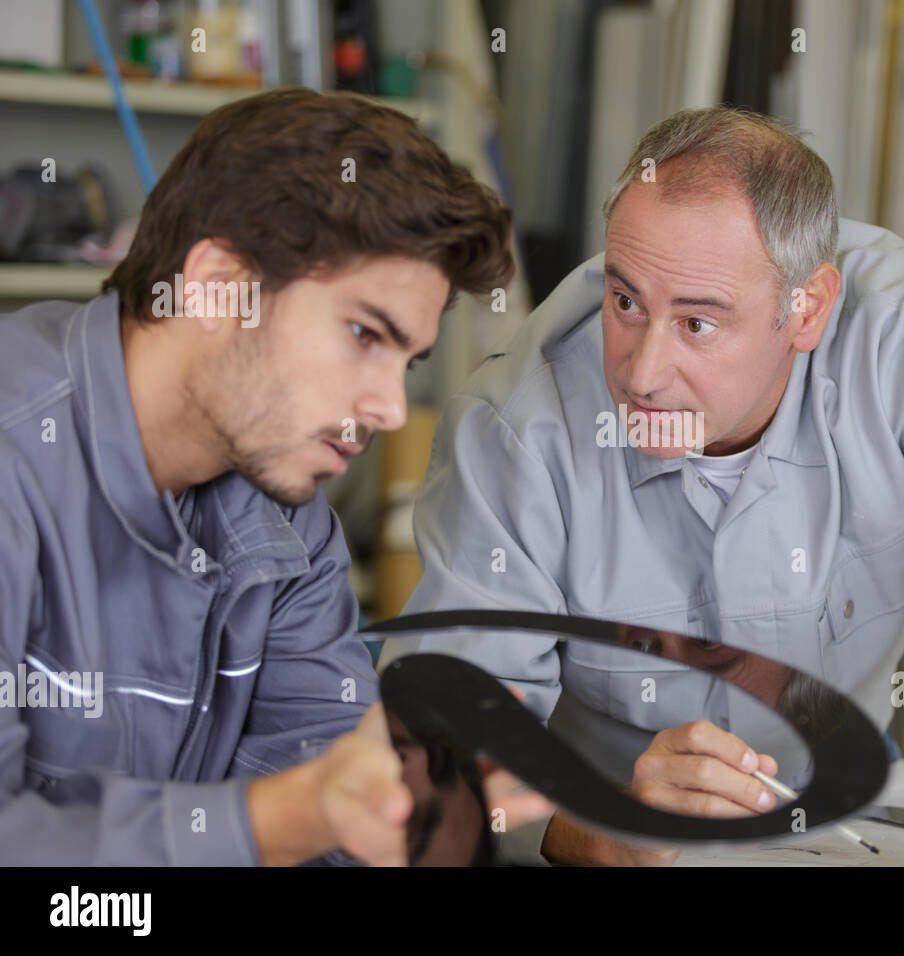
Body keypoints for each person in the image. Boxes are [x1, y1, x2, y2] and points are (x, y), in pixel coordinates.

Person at [384, 106, 904, 867]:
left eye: (697, 324)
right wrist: (599, 833)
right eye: (626, 302)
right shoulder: (516, 428)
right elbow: (448, 737)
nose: (642, 375)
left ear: (807, 309)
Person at [0, 87, 550, 865]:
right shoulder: (16, 460)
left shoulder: (286, 520)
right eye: (364, 334)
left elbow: (332, 798)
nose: (391, 409)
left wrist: (408, 818)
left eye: (409, 362)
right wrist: (286, 818)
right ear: (218, 286)